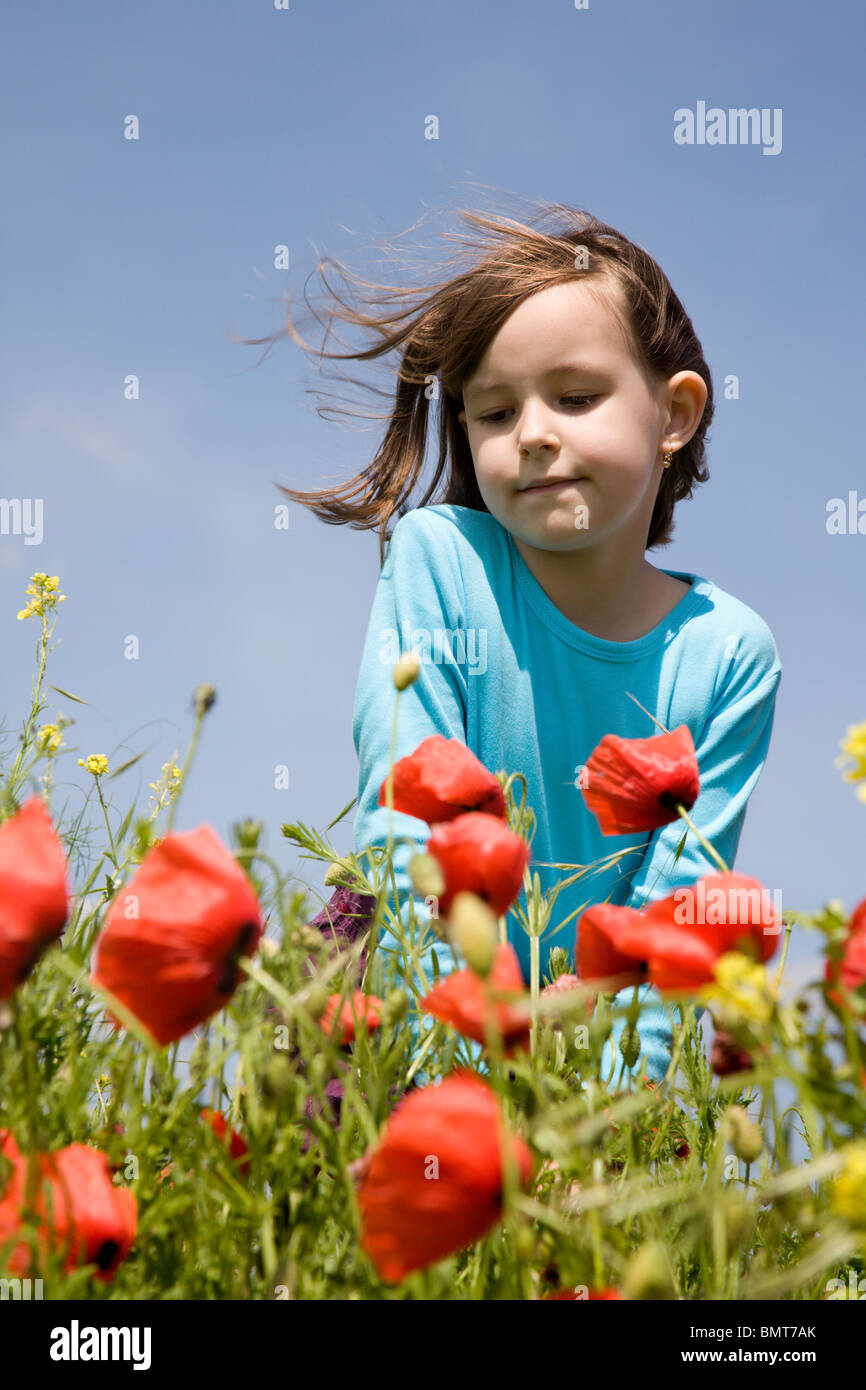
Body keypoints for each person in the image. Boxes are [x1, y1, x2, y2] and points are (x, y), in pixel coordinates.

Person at [270, 198, 782, 1087]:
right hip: (395, 988)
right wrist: (458, 1083)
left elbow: (674, 917)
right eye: (494, 413)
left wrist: (613, 1124)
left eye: (576, 397)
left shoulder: (732, 654)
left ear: (676, 412)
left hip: (586, 1044)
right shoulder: (440, 559)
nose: (534, 435)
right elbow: (405, 825)